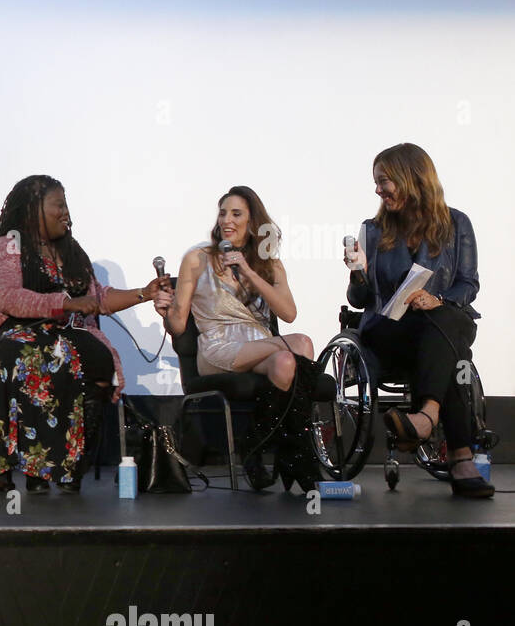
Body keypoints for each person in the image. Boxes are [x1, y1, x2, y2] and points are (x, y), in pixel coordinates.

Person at [0, 174, 165, 491]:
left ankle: (72, 466)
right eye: (58, 205)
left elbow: (98, 297)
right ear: (34, 209)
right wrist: (66, 303)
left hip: (72, 337)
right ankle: (36, 470)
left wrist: (143, 292)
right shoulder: (7, 246)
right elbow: (9, 297)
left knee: (97, 360)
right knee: (38, 356)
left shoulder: (71, 250)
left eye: (66, 205)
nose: (66, 213)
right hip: (19, 335)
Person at [342, 143, 491, 498]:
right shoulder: (372, 230)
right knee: (452, 344)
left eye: (384, 181)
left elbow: (468, 284)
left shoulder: (457, 223)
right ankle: (460, 458)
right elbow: (360, 301)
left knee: (444, 322)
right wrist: (358, 274)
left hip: (440, 324)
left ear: (410, 178)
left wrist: (437, 299)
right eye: (376, 182)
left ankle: (425, 418)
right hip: (391, 330)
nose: (378, 190)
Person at [154, 186, 321, 491]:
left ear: (252, 221)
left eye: (236, 213)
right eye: (222, 213)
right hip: (217, 348)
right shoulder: (197, 258)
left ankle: (257, 447)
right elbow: (178, 327)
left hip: (259, 345)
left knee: (286, 362)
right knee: (302, 345)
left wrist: (248, 271)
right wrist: (164, 311)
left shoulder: (269, 264)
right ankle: (298, 454)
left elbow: (288, 313)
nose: (226, 220)